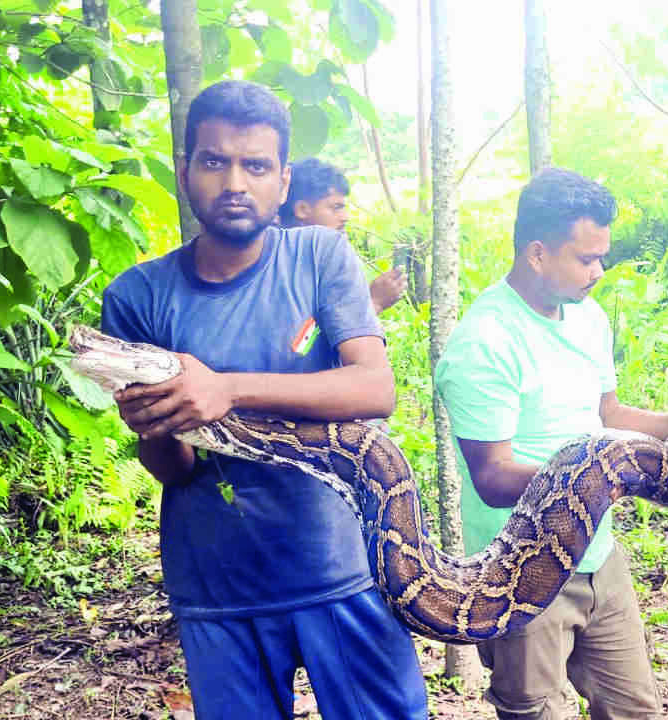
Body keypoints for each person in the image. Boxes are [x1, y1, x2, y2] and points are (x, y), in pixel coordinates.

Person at [100, 80, 426, 720]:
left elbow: (373, 387)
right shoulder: (136, 295)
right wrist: (154, 426)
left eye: (256, 165)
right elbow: (176, 470)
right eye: (215, 161)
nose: (234, 183)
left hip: (338, 569)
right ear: (185, 168)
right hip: (217, 584)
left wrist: (225, 389)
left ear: (283, 180)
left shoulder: (321, 254)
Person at [434, 167, 668, 720]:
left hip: (598, 556)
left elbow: (608, 413)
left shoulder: (587, 318)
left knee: (635, 708)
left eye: (602, 257)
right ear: (537, 254)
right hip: (521, 569)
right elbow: (493, 477)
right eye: (586, 259)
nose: (599, 271)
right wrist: (600, 474)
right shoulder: (485, 342)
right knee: (533, 711)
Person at [279, 157, 407, 314]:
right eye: (336, 207)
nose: (345, 216)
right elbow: (318, 333)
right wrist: (374, 303)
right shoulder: (289, 264)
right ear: (302, 210)